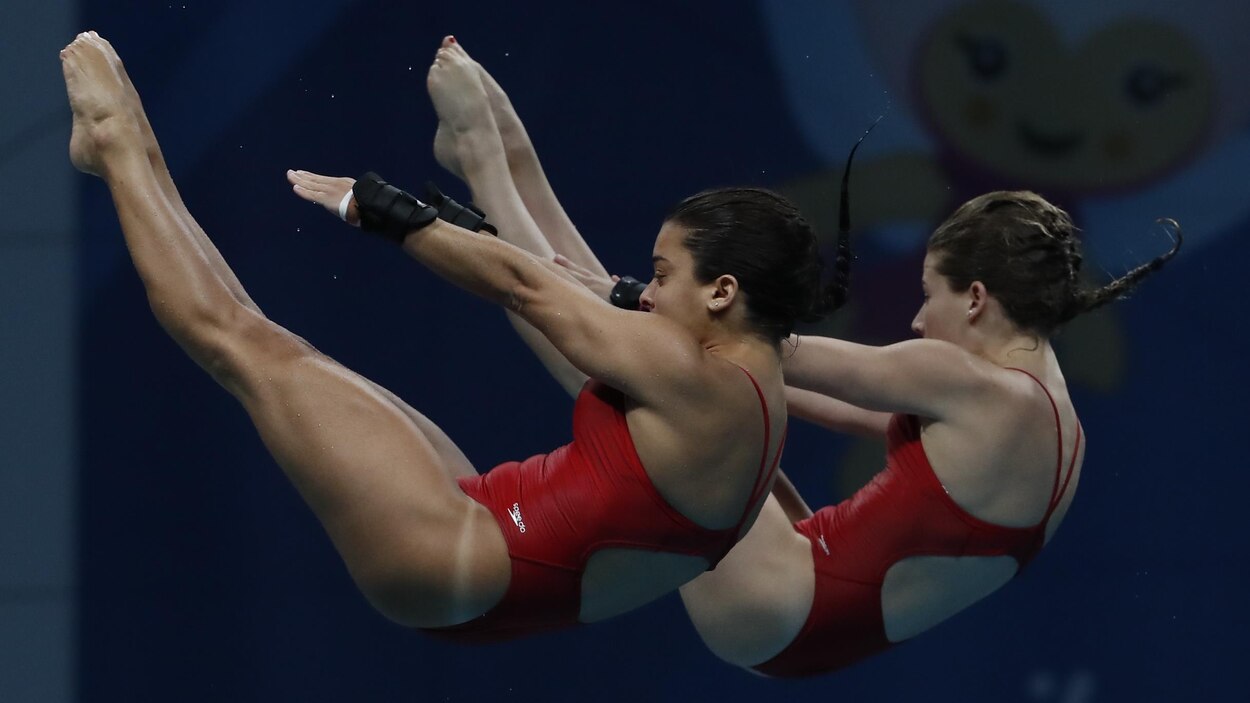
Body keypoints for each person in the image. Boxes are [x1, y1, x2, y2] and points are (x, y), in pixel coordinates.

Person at [373, 37, 1181, 675]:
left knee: (634, 379)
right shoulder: (1056, 420)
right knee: (674, 381)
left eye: (930, 293)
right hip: (796, 631)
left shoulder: (971, 383)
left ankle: (493, 166)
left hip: (782, 595)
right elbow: (823, 401)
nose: (917, 314)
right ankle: (511, 168)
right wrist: (624, 296)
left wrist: (604, 289)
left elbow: (768, 346)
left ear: (975, 298)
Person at [63, 30, 840, 642]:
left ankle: (114, 141)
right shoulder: (758, 393)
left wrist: (385, 212)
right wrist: (473, 203)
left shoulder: (689, 372)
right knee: (284, 358)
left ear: (722, 291)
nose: (648, 289)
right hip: (480, 557)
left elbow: (529, 286)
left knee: (243, 344)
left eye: (664, 273)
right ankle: (116, 153)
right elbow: (578, 284)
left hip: (453, 552)